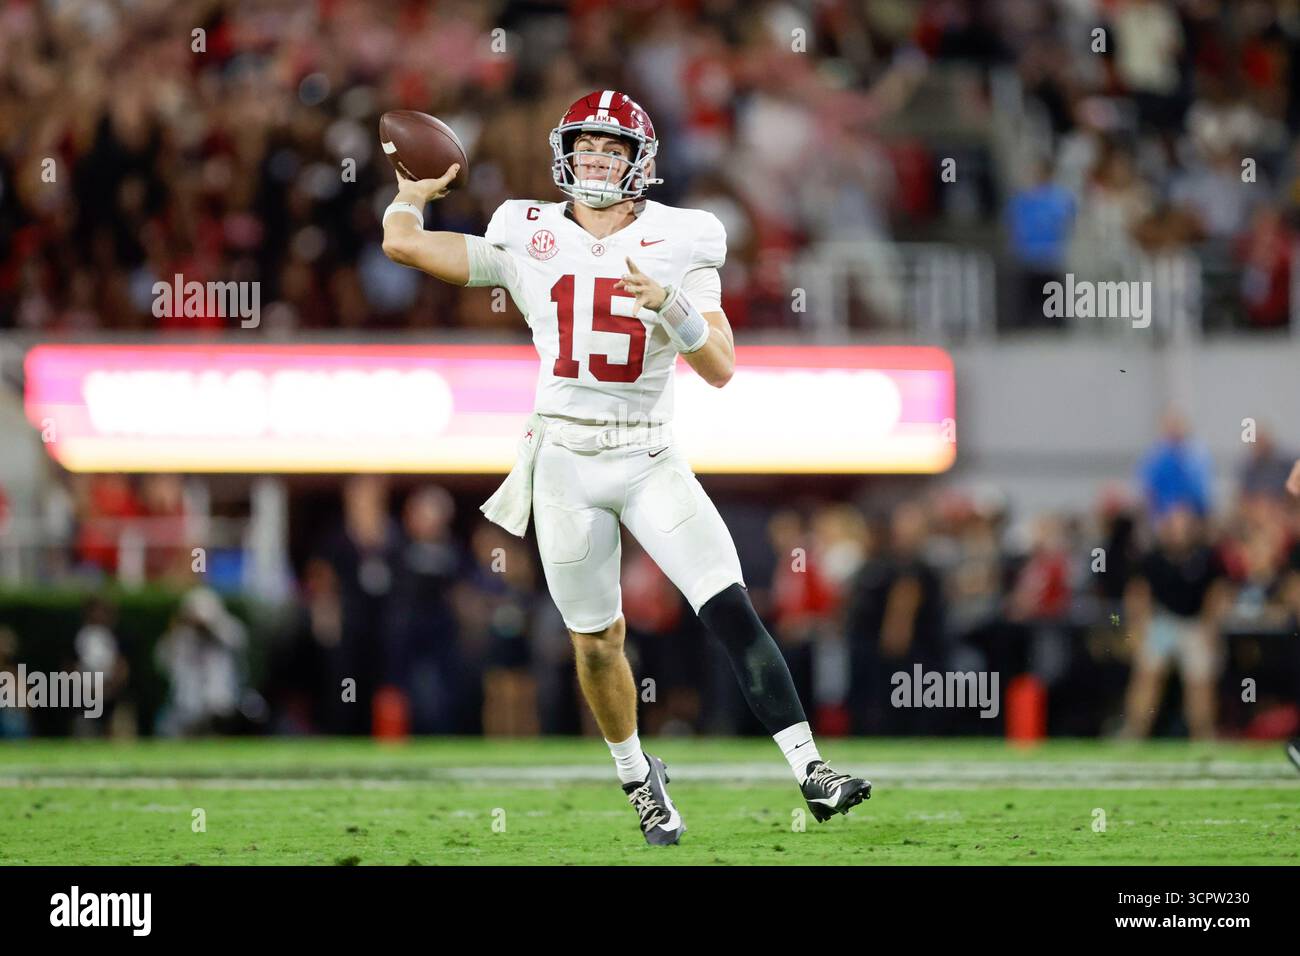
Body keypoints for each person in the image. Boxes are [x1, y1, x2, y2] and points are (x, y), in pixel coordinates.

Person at [381, 90, 869, 845]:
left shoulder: (685, 236)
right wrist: (407, 199)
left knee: (728, 604)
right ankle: (638, 775)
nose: (597, 160)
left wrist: (672, 306)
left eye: (612, 148)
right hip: (565, 462)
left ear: (640, 161)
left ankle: (811, 771)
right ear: (565, 155)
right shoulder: (528, 228)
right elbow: (409, 248)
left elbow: (721, 366)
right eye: (586, 147)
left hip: (647, 452)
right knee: (596, 641)